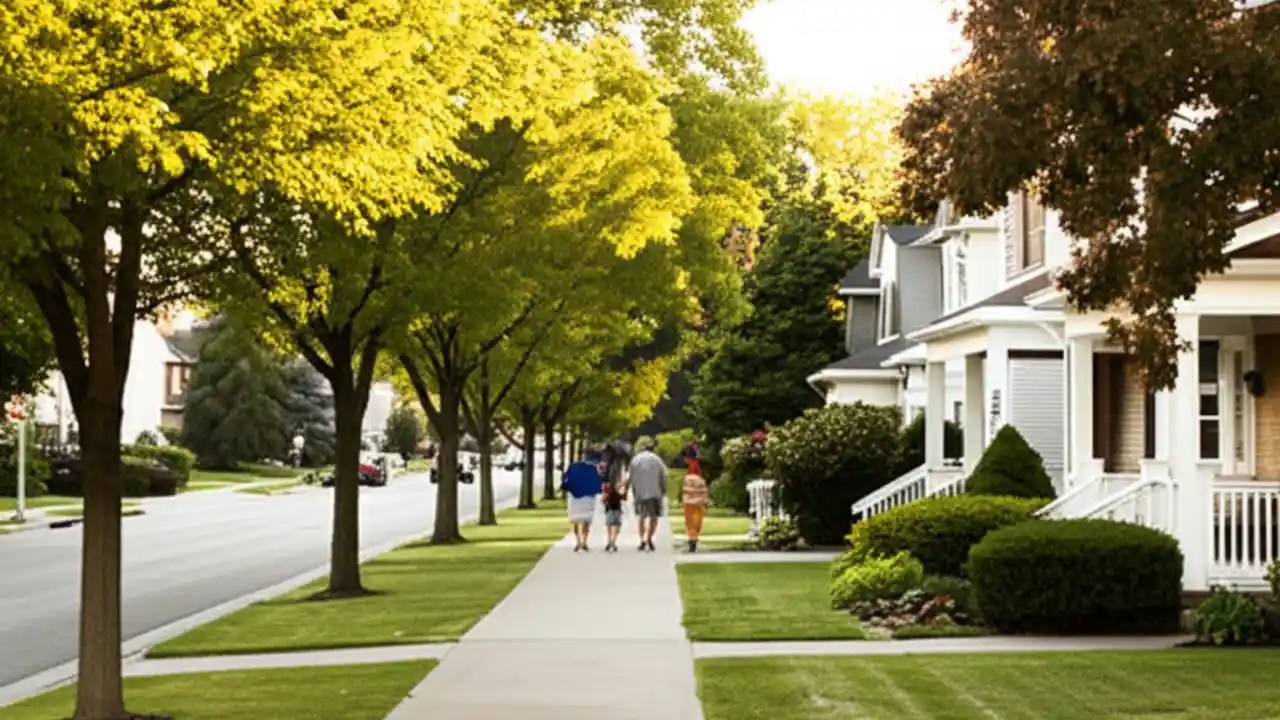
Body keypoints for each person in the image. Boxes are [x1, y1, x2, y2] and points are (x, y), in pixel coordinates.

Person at [628, 439, 667, 552]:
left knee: (642, 516)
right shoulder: (657, 460)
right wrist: (663, 489)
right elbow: (664, 475)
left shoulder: (636, 460)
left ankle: (642, 539)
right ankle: (650, 537)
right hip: (655, 492)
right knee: (653, 517)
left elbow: (630, 475)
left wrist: (631, 489)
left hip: (640, 493)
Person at [561, 450, 604, 552]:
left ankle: (578, 541)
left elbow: (566, 479)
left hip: (574, 497)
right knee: (586, 521)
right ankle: (584, 541)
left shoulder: (573, 467)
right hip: (588, 497)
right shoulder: (592, 469)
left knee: (575, 519)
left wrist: (566, 487)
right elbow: (598, 482)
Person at [681, 445, 709, 552]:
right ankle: (694, 539)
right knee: (697, 522)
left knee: (690, 522)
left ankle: (692, 540)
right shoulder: (697, 466)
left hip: (689, 501)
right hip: (699, 501)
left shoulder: (692, 468)